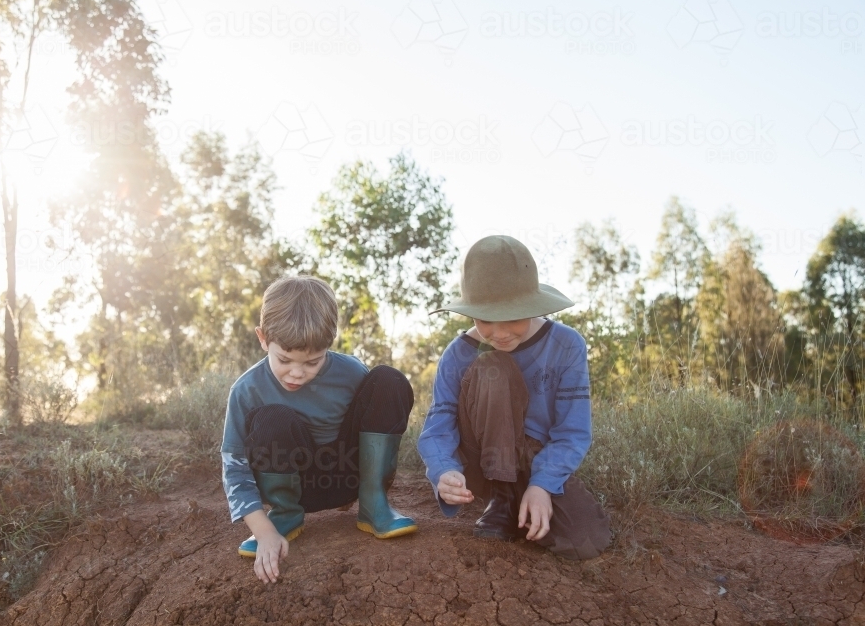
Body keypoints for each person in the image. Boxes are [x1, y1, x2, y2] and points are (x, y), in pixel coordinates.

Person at [417, 235, 611, 560]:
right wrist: (444, 471)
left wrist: (543, 484)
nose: (500, 333)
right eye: (485, 320)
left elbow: (572, 432)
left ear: (533, 306)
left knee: (585, 541)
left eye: (513, 319)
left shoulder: (567, 345)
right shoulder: (457, 354)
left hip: (534, 457)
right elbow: (438, 428)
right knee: (493, 364)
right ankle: (501, 496)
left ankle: (519, 499)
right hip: (480, 458)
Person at [221, 275, 417, 584]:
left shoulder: (350, 371)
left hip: (348, 476)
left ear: (330, 343)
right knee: (272, 418)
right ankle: (284, 518)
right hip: (297, 487)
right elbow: (234, 466)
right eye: (284, 359)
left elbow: (376, 417)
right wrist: (262, 531)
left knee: (389, 379)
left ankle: (373, 503)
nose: (297, 373)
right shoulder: (246, 390)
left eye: (312, 362)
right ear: (262, 338)